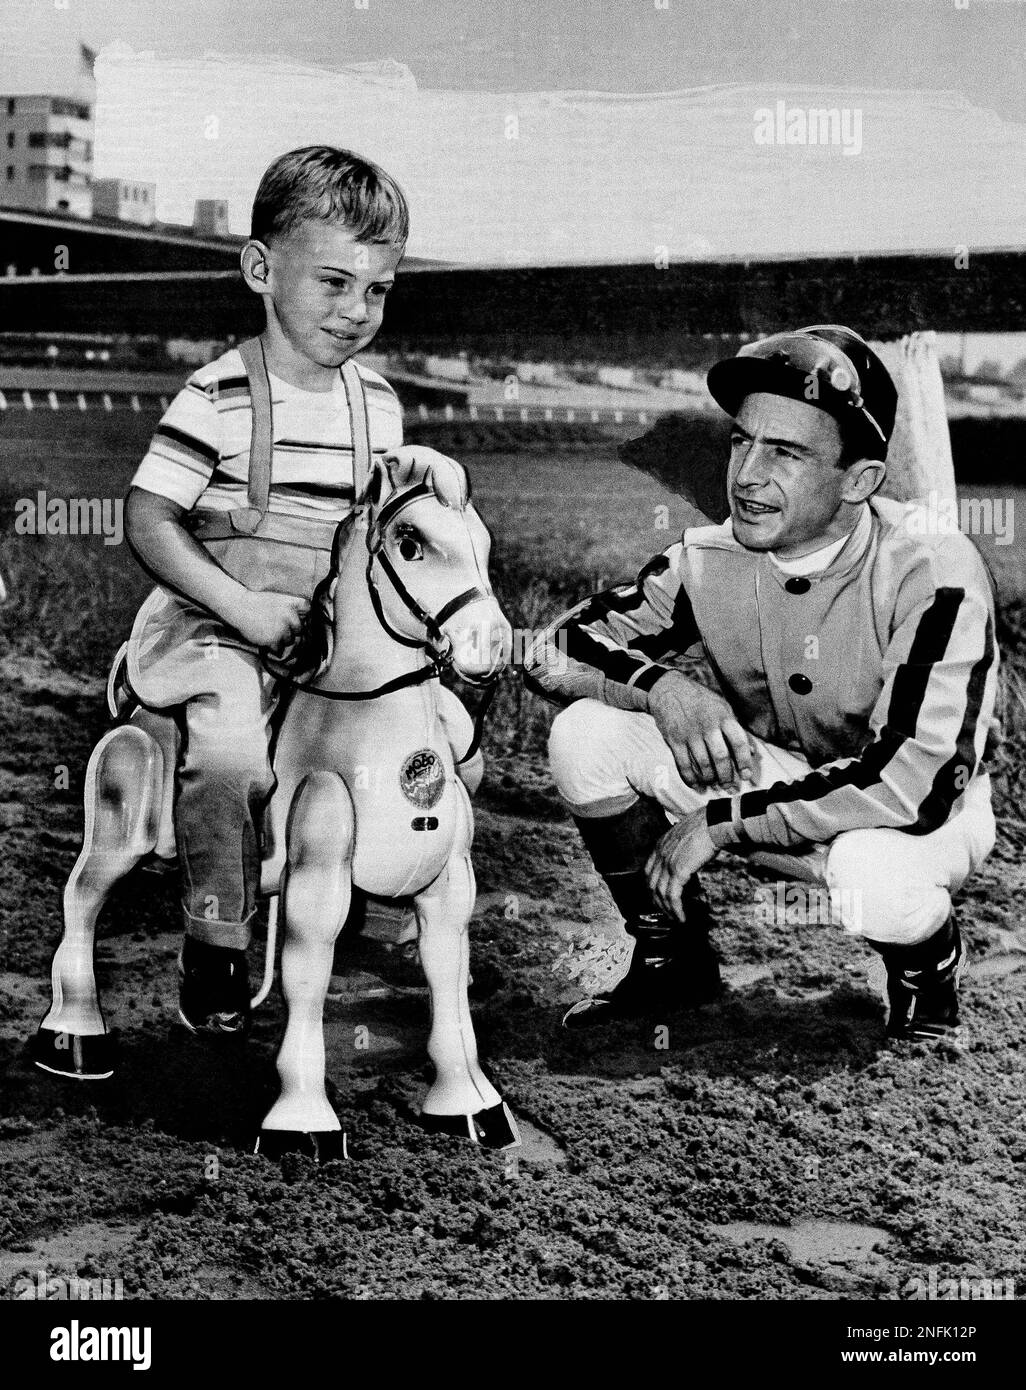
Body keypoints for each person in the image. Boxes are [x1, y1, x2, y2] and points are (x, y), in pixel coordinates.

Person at [524, 325, 1000, 1040]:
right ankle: (672, 960)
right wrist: (664, 690)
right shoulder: (709, 558)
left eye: (785, 451)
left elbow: (909, 783)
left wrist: (726, 820)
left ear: (859, 480)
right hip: (778, 780)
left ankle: (926, 976)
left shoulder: (932, 569)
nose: (746, 474)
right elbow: (555, 649)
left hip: (918, 812)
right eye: (742, 441)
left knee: (878, 879)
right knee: (585, 735)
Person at [123, 146, 407, 1036]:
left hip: (324, 638)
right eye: (333, 283)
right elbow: (148, 518)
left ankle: (361, 885)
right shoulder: (216, 397)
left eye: (377, 289)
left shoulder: (382, 408)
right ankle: (216, 935)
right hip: (219, 623)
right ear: (260, 269)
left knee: (415, 733)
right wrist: (242, 607)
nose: (356, 311)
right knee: (237, 745)